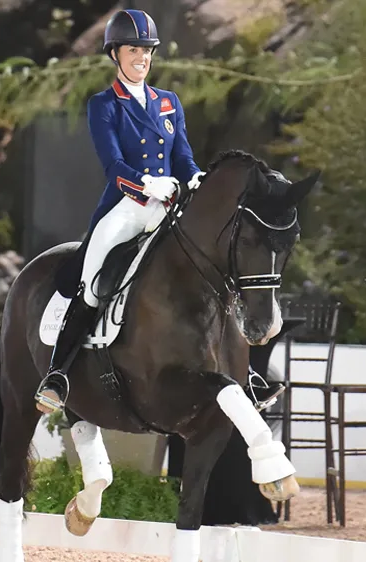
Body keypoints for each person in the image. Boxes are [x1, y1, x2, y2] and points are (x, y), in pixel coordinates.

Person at [34, 9, 283, 415]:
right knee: (93, 277)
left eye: (147, 51)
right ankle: (58, 373)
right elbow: (113, 166)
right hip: (128, 206)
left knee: (221, 268)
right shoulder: (104, 105)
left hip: (171, 207)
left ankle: (248, 373)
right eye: (133, 50)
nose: (142, 58)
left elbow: (182, 156)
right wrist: (146, 184)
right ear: (115, 54)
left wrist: (197, 178)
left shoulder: (167, 102)